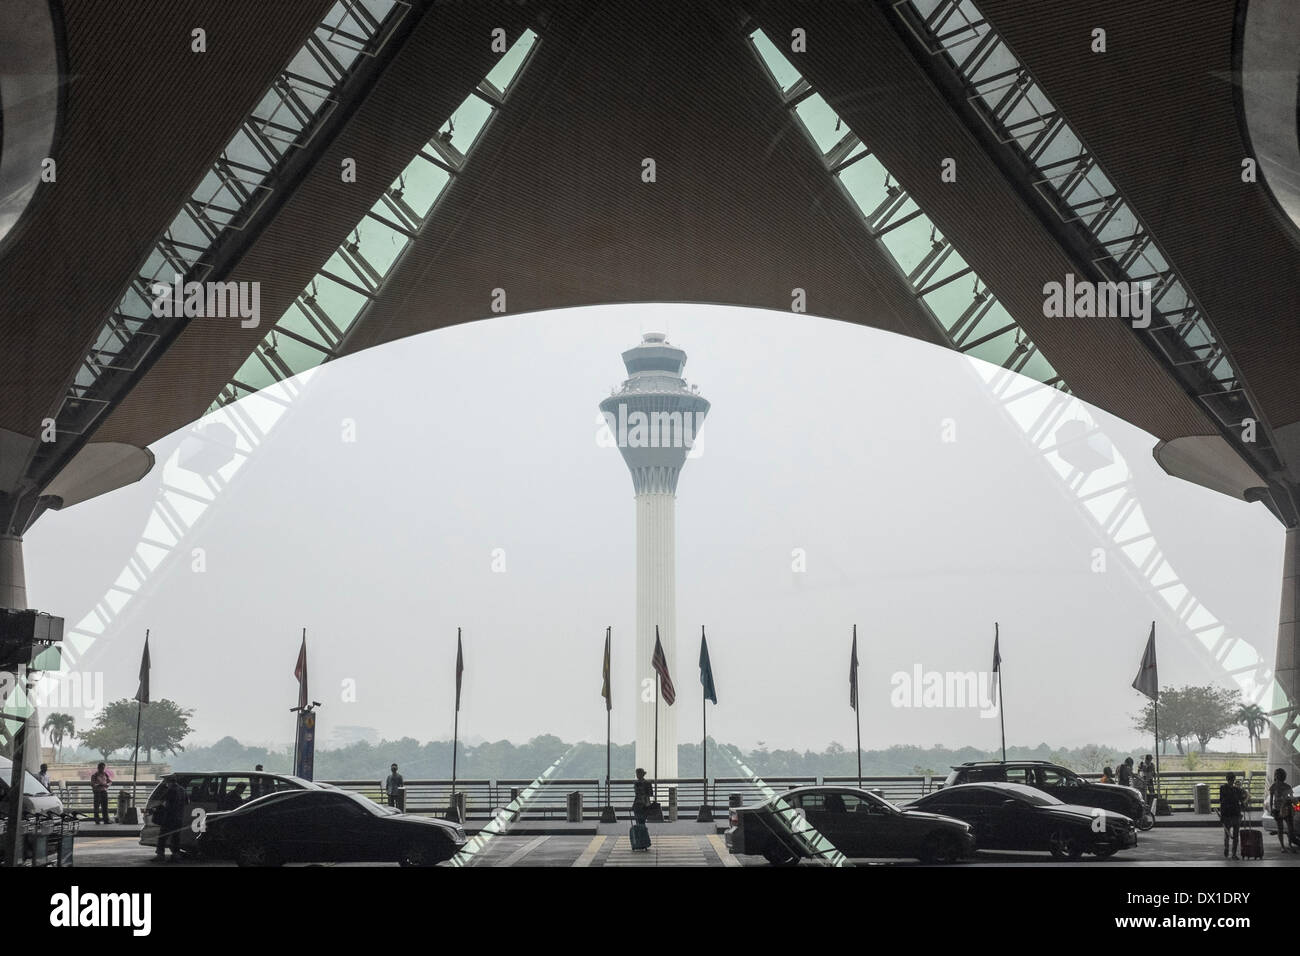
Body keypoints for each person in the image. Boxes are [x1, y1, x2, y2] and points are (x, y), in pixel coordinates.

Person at [153, 778, 186, 862]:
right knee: (176, 837)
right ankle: (176, 855)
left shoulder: (170, 790)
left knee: (162, 837)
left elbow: (162, 799)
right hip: (179, 817)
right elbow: (187, 802)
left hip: (169, 817)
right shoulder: (182, 790)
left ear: (169, 782)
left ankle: (160, 855)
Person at [1218, 772, 1245, 859]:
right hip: (1231, 814)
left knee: (1233, 835)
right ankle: (1229, 851)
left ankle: (1232, 852)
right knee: (1230, 834)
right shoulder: (1233, 789)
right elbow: (1223, 802)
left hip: (1232, 814)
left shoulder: (1227, 789)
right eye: (1231, 779)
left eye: (1232, 779)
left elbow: (1222, 802)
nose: (1231, 781)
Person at [1268, 767, 1296, 853]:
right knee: (1290, 828)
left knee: (1281, 829)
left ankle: (1283, 846)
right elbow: (1291, 798)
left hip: (1279, 809)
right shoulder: (1286, 786)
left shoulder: (1273, 786)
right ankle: (1289, 845)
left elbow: (1271, 799)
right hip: (1286, 809)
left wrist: (1271, 809)